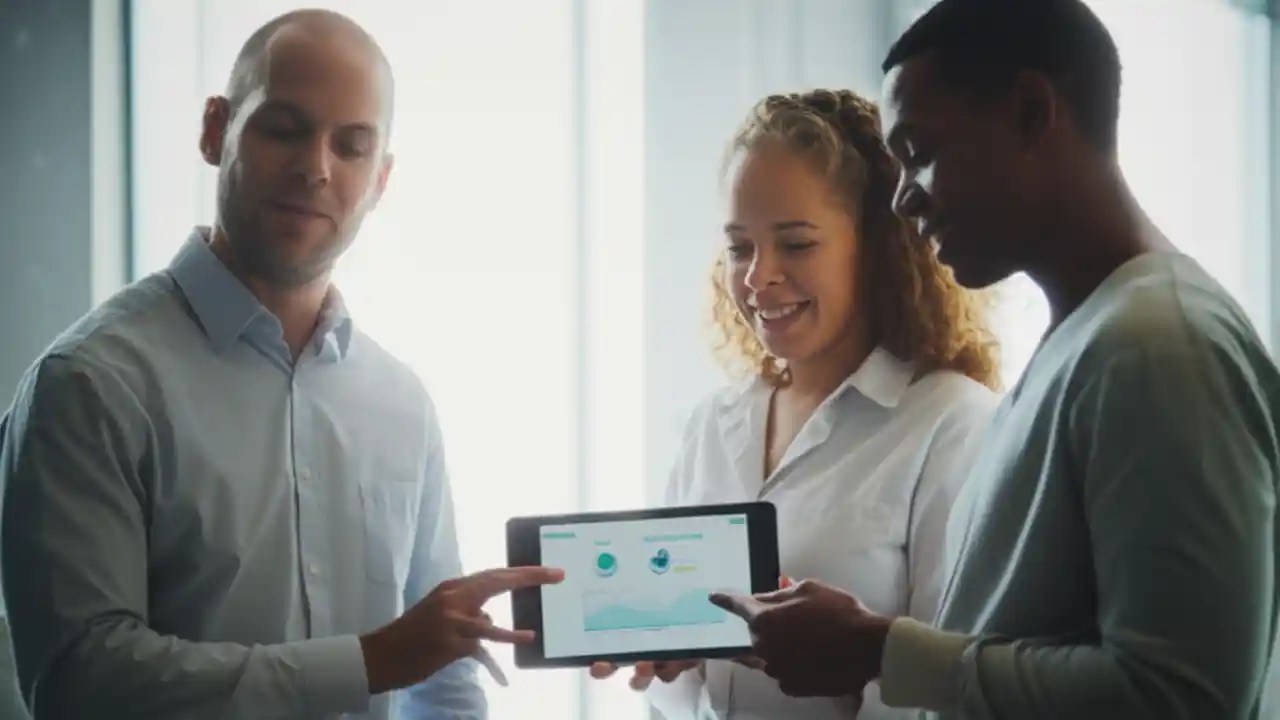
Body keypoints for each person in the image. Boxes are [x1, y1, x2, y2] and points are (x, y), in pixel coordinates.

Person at [710, 1, 1280, 719]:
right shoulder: (1087, 340)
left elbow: (1183, 699)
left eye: (919, 151)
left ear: (1031, 113)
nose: (903, 200)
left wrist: (880, 653)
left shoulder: (1161, 346)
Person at [0, 10, 561, 720]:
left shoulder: (402, 404)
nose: (315, 168)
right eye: (284, 128)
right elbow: (78, 682)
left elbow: (443, 685)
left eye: (351, 146)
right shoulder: (88, 384)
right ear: (215, 131)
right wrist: (369, 662)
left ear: (381, 180)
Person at [592, 89, 1002, 719]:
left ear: (880, 248)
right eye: (740, 247)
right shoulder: (713, 425)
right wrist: (675, 658)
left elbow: (950, 694)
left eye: (796, 244)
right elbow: (685, 701)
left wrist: (841, 664)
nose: (758, 276)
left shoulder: (953, 424)